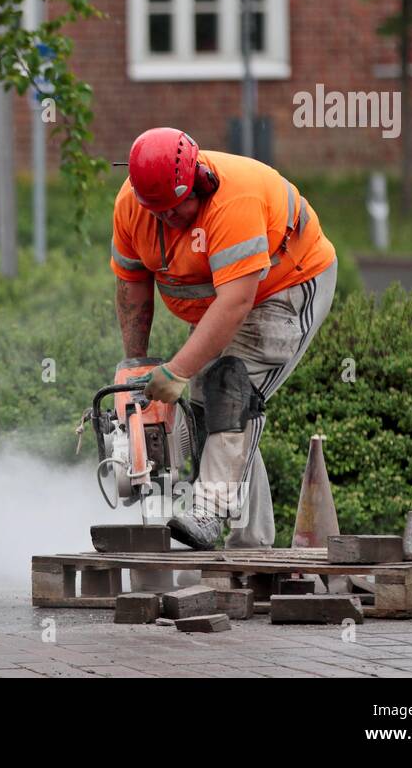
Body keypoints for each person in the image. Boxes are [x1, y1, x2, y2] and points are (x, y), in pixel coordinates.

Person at [110, 127, 338, 549]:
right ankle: (251, 544)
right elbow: (132, 284)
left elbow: (236, 303)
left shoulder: (236, 201)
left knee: (231, 388)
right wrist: (137, 369)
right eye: (157, 212)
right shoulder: (133, 204)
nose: (165, 220)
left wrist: (177, 370)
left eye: (175, 211)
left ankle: (211, 512)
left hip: (286, 285)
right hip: (224, 296)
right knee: (206, 411)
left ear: (199, 182)